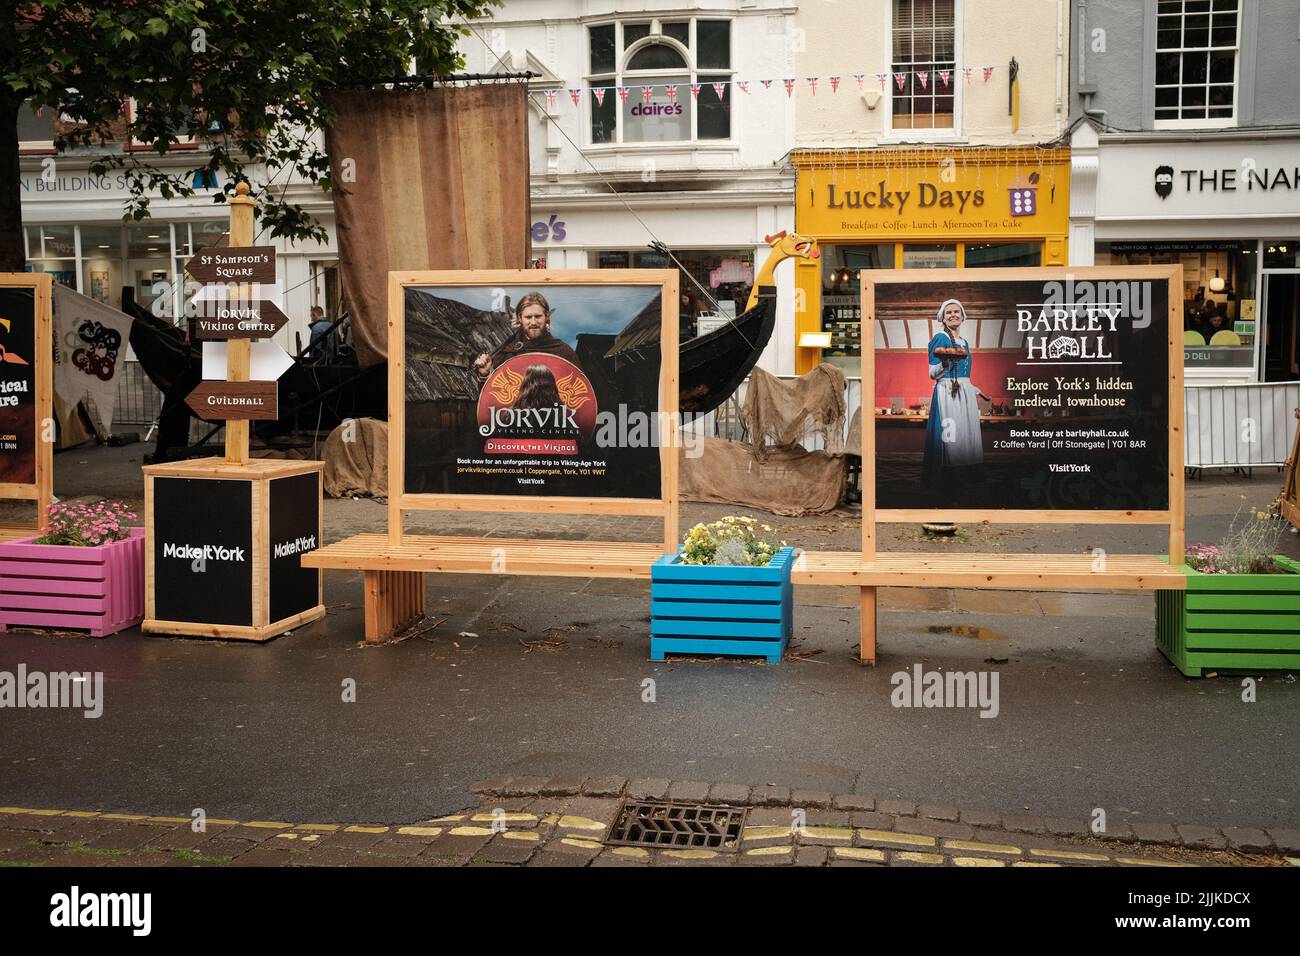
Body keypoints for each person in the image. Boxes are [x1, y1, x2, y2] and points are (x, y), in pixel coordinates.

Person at [923, 298, 989, 481]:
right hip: (947, 393)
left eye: (956, 311)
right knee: (951, 436)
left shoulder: (965, 343)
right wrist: (944, 364)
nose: (953, 315)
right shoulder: (940, 338)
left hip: (965, 393)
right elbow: (932, 373)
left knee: (967, 436)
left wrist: (975, 390)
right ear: (943, 319)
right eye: (948, 313)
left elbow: (964, 376)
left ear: (962, 316)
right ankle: (948, 480)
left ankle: (967, 479)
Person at [474, 292, 581, 379]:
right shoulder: (506, 354)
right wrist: (485, 375)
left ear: (547, 317)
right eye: (528, 317)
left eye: (538, 316)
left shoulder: (563, 353)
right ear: (520, 318)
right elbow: (492, 399)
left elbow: (578, 394)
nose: (533, 322)